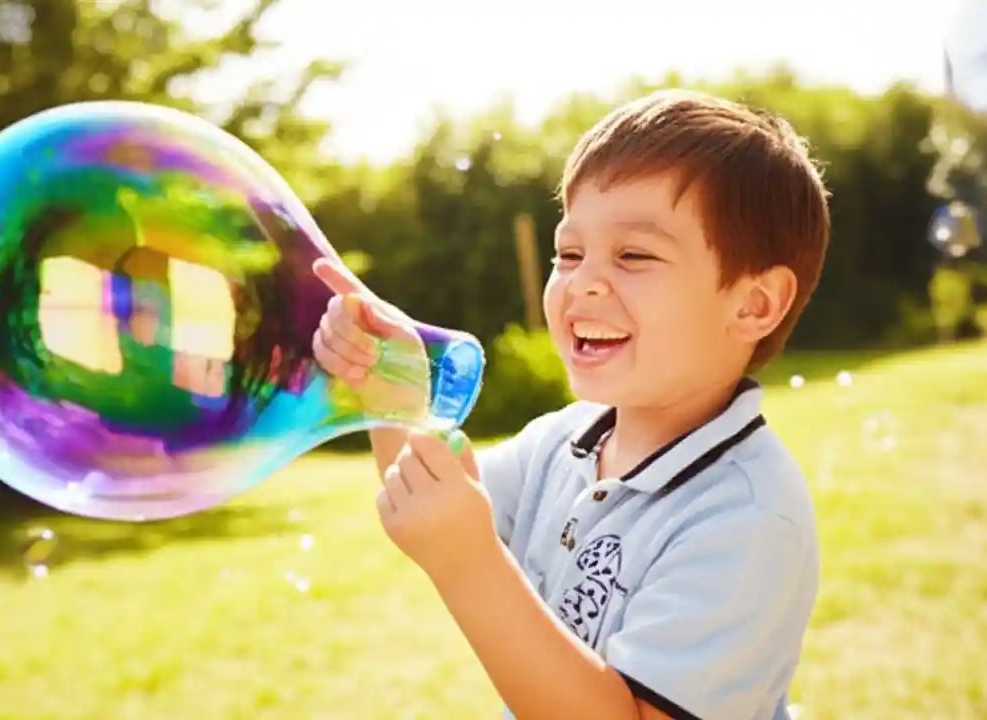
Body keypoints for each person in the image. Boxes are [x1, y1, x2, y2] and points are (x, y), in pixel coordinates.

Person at [311, 88, 830, 720]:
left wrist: (467, 563)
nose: (584, 280)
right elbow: (436, 502)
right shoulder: (562, 442)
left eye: (634, 254)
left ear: (753, 305)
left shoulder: (745, 517)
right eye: (570, 252)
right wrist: (394, 391)